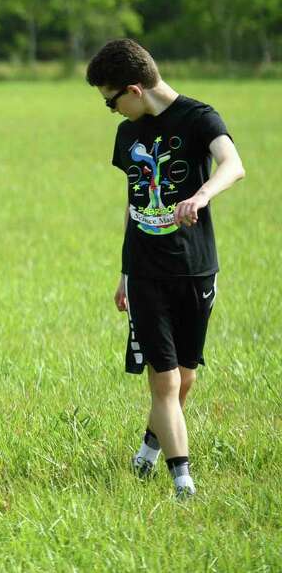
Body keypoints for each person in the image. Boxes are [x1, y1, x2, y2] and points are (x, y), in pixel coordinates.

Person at [86, 38, 244, 499]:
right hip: (146, 271)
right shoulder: (127, 134)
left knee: (185, 378)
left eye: (111, 101)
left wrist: (201, 195)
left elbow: (233, 164)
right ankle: (183, 482)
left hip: (196, 268)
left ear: (134, 89)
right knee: (165, 379)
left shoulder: (199, 118)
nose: (111, 111)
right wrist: (124, 272)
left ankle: (148, 453)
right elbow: (133, 202)